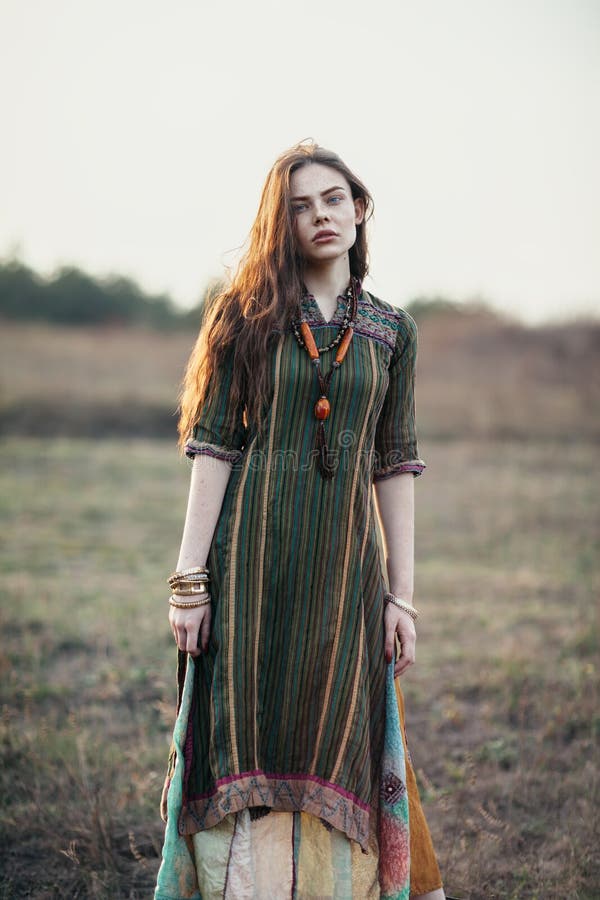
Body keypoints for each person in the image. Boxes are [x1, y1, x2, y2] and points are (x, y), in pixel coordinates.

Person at [154, 141, 447, 900]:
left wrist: (402, 597)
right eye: (300, 206)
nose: (320, 216)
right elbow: (214, 446)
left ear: (359, 208)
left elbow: (395, 463)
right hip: (249, 556)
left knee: (335, 727)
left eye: (333, 199)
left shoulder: (393, 331)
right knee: (243, 725)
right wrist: (190, 581)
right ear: (278, 226)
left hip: (346, 565)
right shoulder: (244, 315)